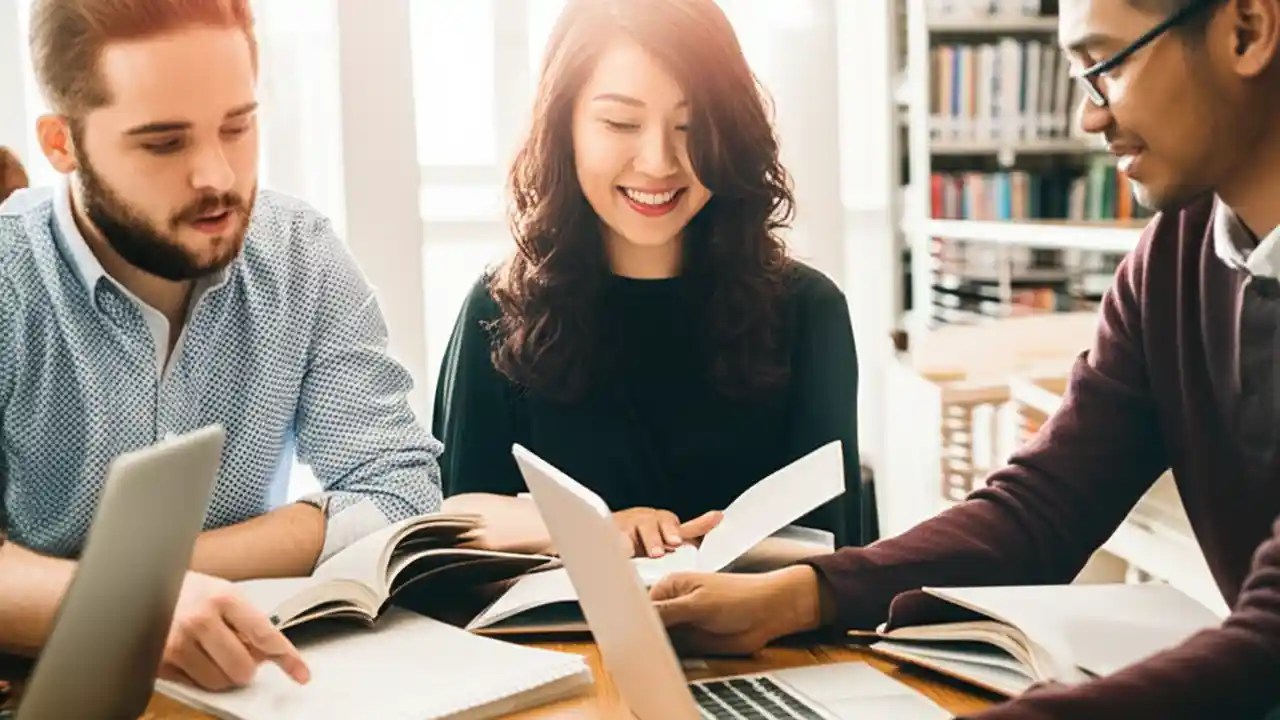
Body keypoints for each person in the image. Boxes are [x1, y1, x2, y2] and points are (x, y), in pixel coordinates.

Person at [648, 0, 1280, 717]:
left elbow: (1269, 642)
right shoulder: (1172, 262)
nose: (1090, 117)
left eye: (1106, 65)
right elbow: (1040, 508)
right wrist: (795, 596)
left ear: (1247, 30)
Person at [0, 0, 443, 693]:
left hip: (247, 685)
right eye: (163, 143)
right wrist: (128, 605)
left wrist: (161, 575)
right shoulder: (8, 280)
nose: (217, 176)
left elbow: (401, 489)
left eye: (237, 127)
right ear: (61, 144)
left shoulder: (301, 254)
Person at [433, 0, 862, 560]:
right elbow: (454, 518)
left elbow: (836, 553)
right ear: (565, 128)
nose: (659, 162)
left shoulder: (809, 312)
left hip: (764, 644)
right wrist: (598, 528)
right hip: (554, 644)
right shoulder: (500, 308)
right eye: (620, 123)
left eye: (691, 127)